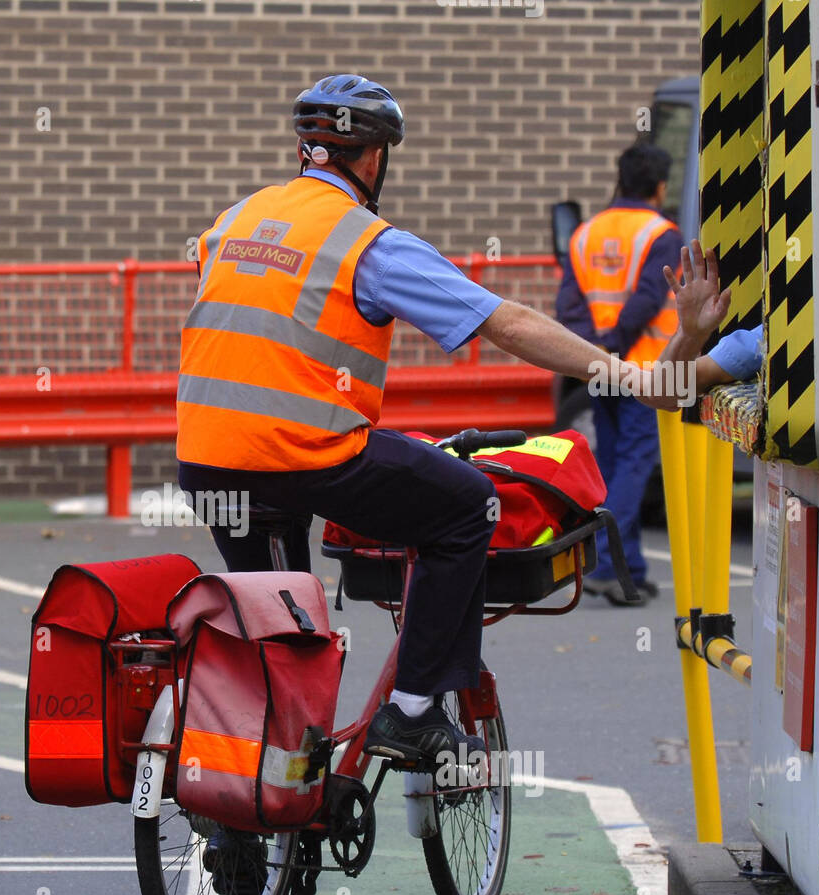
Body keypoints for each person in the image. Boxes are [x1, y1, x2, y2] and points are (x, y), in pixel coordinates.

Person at [176, 75, 722, 769]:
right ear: (373, 159)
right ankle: (412, 712)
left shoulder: (234, 220)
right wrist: (636, 379)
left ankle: (255, 814)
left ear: (303, 148)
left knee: (277, 635)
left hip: (207, 462)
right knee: (466, 506)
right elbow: (510, 323)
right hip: (303, 457)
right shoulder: (367, 242)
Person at [555, 144, 684, 606]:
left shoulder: (586, 233)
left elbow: (569, 306)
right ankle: (610, 568)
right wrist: (617, 348)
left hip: (598, 367)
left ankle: (628, 567)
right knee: (633, 465)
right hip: (650, 371)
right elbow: (650, 298)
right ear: (660, 187)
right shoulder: (662, 233)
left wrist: (597, 352)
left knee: (610, 462)